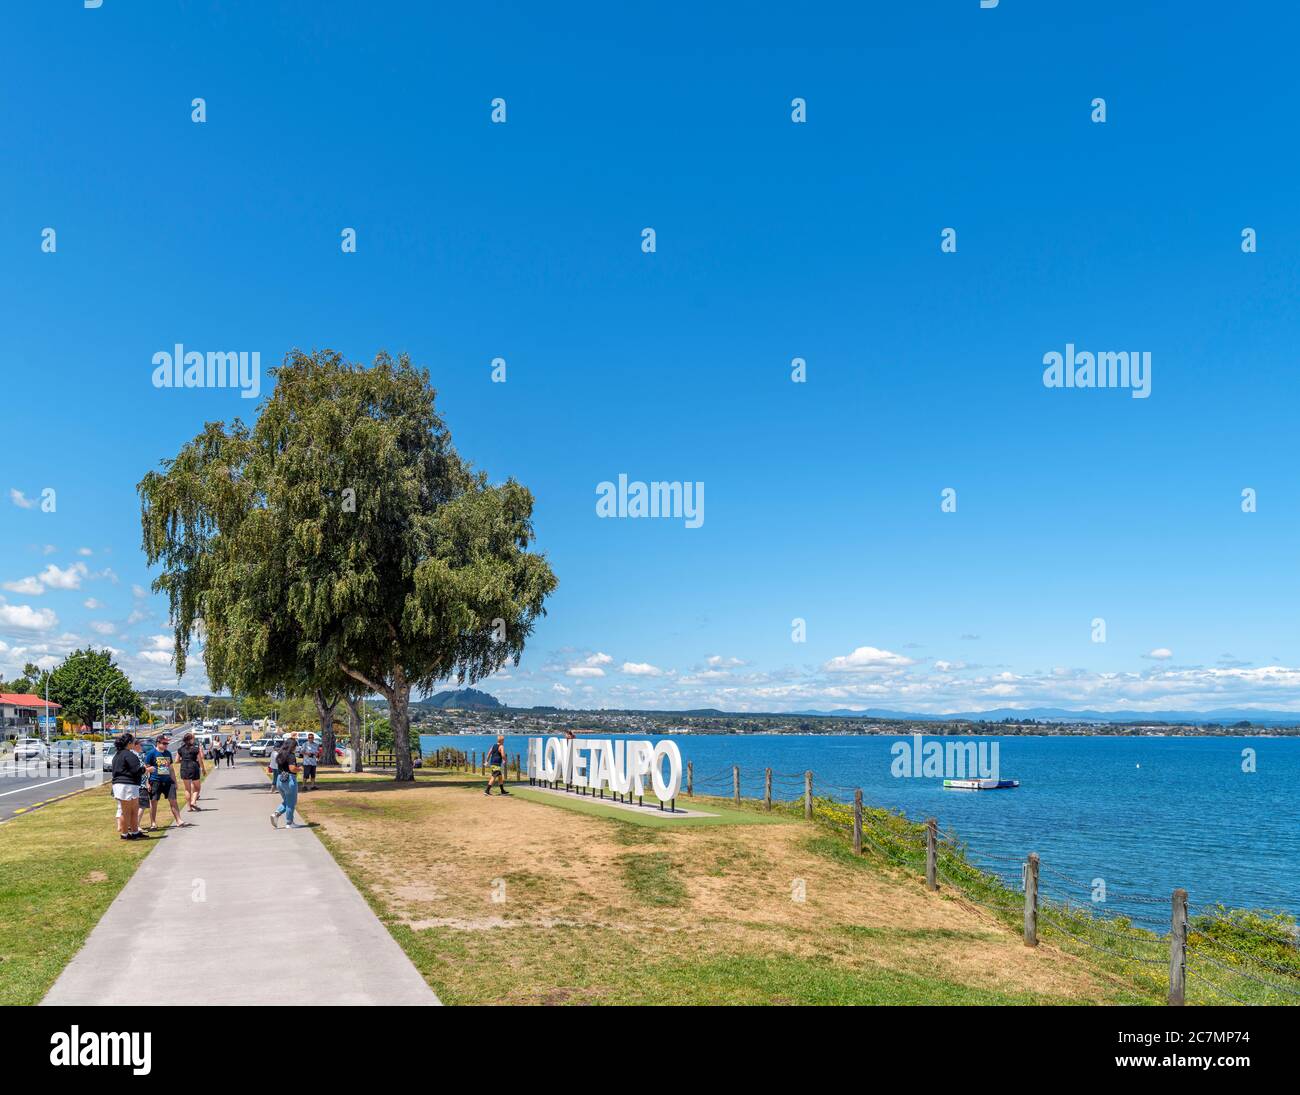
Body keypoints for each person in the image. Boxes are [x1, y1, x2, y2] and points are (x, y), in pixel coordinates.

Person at [144, 733, 186, 830]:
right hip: (155, 781)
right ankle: (153, 823)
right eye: (164, 743)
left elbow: (171, 769)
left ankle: (179, 820)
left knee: (173, 801)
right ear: (158, 743)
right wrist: (147, 783)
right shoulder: (151, 753)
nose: (166, 745)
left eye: (167, 743)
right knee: (153, 802)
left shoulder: (168, 753)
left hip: (168, 782)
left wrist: (175, 782)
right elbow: (145, 770)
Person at [110, 732, 147, 841]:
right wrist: (146, 770)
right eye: (133, 741)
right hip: (127, 785)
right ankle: (125, 834)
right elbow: (136, 770)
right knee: (127, 811)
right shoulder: (129, 754)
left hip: (121, 785)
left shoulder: (117, 755)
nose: (135, 743)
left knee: (132, 810)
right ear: (129, 743)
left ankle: (134, 832)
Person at [270, 738, 300, 828]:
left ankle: (276, 814)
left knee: (287, 801)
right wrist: (299, 769)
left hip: (280, 779)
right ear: (292, 746)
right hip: (289, 779)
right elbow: (292, 768)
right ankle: (289, 823)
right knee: (291, 803)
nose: (296, 748)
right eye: (295, 746)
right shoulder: (291, 755)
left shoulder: (280, 754)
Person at [177, 731, 206, 812]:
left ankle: (189, 807)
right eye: (193, 739)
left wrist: (183, 761)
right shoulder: (195, 749)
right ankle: (193, 801)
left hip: (184, 768)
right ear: (190, 740)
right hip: (194, 767)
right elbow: (200, 760)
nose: (194, 740)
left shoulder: (180, 749)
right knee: (197, 787)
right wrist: (203, 769)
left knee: (187, 789)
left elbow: (176, 760)